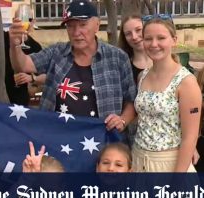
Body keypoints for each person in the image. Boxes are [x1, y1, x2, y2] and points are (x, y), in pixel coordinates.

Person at [9, 0, 136, 135]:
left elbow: (131, 100)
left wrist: (122, 120)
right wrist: (15, 45)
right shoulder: (56, 53)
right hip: (60, 139)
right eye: (71, 26)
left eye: (83, 25)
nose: (76, 32)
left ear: (97, 25)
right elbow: (23, 65)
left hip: (103, 141)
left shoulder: (117, 57)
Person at [132, 14, 202, 172]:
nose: (154, 44)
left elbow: (190, 138)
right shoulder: (142, 76)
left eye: (161, 38)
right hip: (139, 160)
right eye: (148, 38)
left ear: (174, 40)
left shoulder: (186, 82)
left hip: (170, 164)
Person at [4, 7, 44, 106]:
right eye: (21, 19)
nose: (24, 22)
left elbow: (45, 75)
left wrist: (31, 78)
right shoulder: (1, 39)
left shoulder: (35, 46)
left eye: (28, 19)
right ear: (14, 21)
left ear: (32, 22)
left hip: (20, 98)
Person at [118, 14, 152, 85]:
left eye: (138, 30)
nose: (134, 37)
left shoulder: (163, 61)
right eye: (128, 34)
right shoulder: (122, 67)